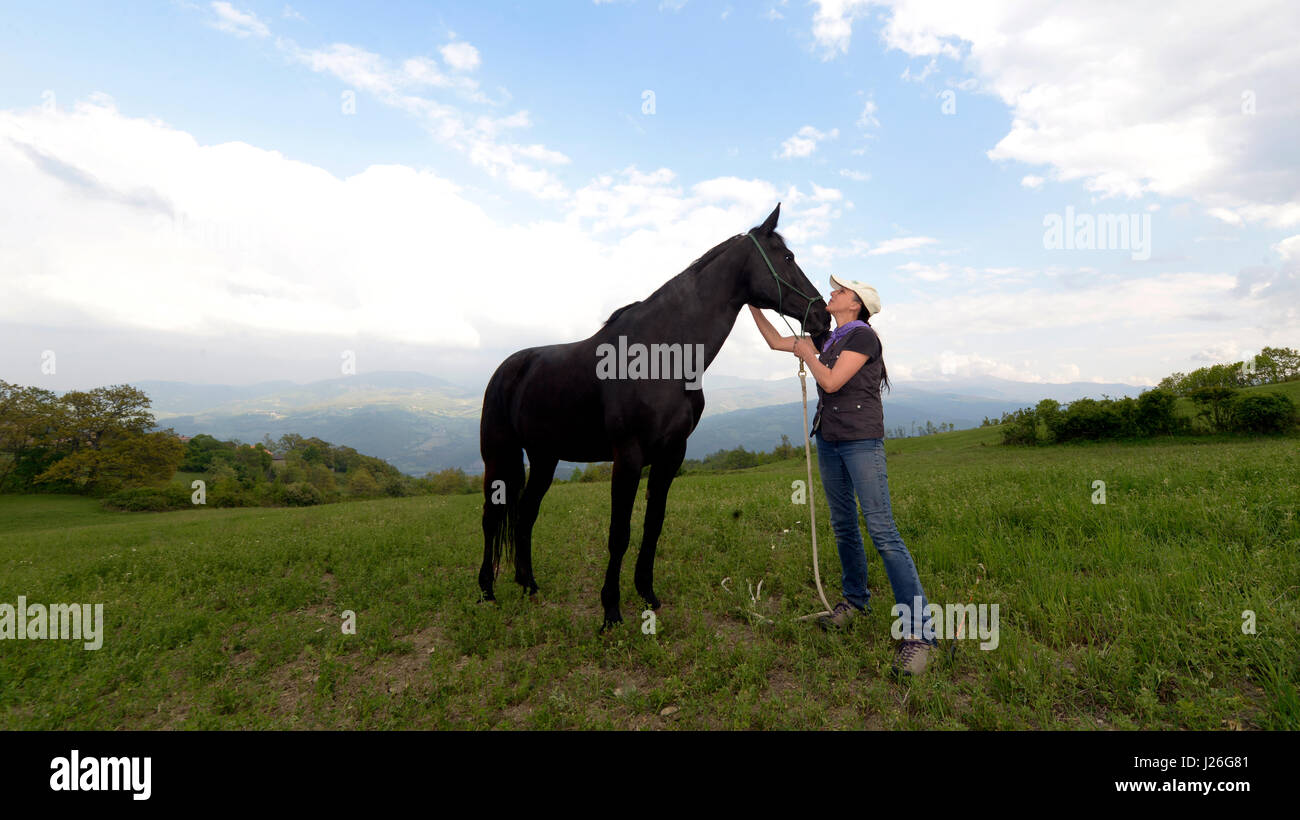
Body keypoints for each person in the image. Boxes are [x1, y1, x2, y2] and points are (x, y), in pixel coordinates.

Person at [748, 276, 936, 676]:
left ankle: (921, 634)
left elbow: (830, 381)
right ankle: (856, 601)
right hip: (830, 441)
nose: (830, 293)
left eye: (839, 291)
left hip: (860, 442)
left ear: (855, 304)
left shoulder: (863, 338)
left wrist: (807, 354)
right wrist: (751, 303)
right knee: (844, 525)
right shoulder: (830, 339)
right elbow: (775, 342)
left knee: (882, 530)